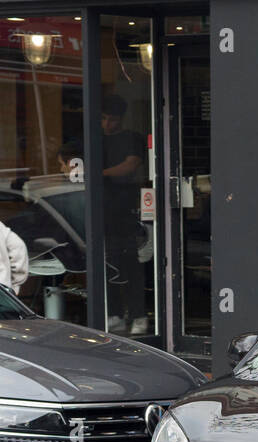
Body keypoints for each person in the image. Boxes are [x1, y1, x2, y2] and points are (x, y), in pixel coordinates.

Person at [100, 93, 148, 334]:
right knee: (108, 264)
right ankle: (115, 314)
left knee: (130, 264)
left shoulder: (131, 138)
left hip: (126, 209)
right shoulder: (95, 139)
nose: (109, 124)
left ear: (122, 118)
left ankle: (139, 315)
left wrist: (102, 174)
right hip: (103, 212)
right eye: (105, 119)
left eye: (113, 119)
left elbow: (132, 164)